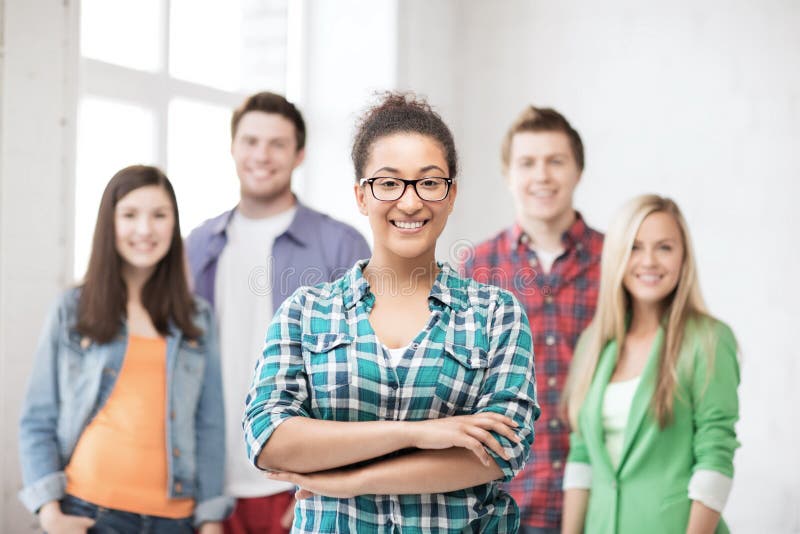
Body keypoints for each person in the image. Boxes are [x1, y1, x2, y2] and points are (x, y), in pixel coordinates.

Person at [242, 92, 540, 532]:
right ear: (362, 195)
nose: (410, 202)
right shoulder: (305, 313)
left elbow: (500, 449)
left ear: (451, 193)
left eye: (429, 181)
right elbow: (268, 438)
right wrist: (419, 433)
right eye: (388, 182)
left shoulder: (496, 315)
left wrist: (351, 481)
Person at [185, 92, 370, 533]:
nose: (261, 155)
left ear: (299, 154)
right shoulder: (196, 246)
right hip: (208, 486)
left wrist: (327, 478)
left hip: (295, 485)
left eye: (277, 144)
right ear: (233, 147)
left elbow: (367, 373)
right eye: (250, 141)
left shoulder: (341, 246)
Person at [18, 165, 230, 533]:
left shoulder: (197, 319)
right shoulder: (72, 308)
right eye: (130, 215)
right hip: (88, 513)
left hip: (175, 520)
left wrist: (211, 519)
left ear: (174, 225)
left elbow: (210, 425)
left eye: (159, 215)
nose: (145, 229)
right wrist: (50, 513)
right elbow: (38, 419)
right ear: (109, 223)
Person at [561, 195, 740, 534]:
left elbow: (715, 457)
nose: (649, 261)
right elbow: (582, 455)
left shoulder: (709, 340)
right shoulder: (594, 343)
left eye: (665, 247)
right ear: (617, 257)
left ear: (683, 256)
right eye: (635, 247)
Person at [461, 106, 603, 533]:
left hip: (603, 496)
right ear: (508, 174)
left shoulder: (616, 261)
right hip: (506, 501)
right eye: (528, 162)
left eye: (555, 161)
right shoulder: (478, 268)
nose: (542, 175)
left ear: (578, 171)